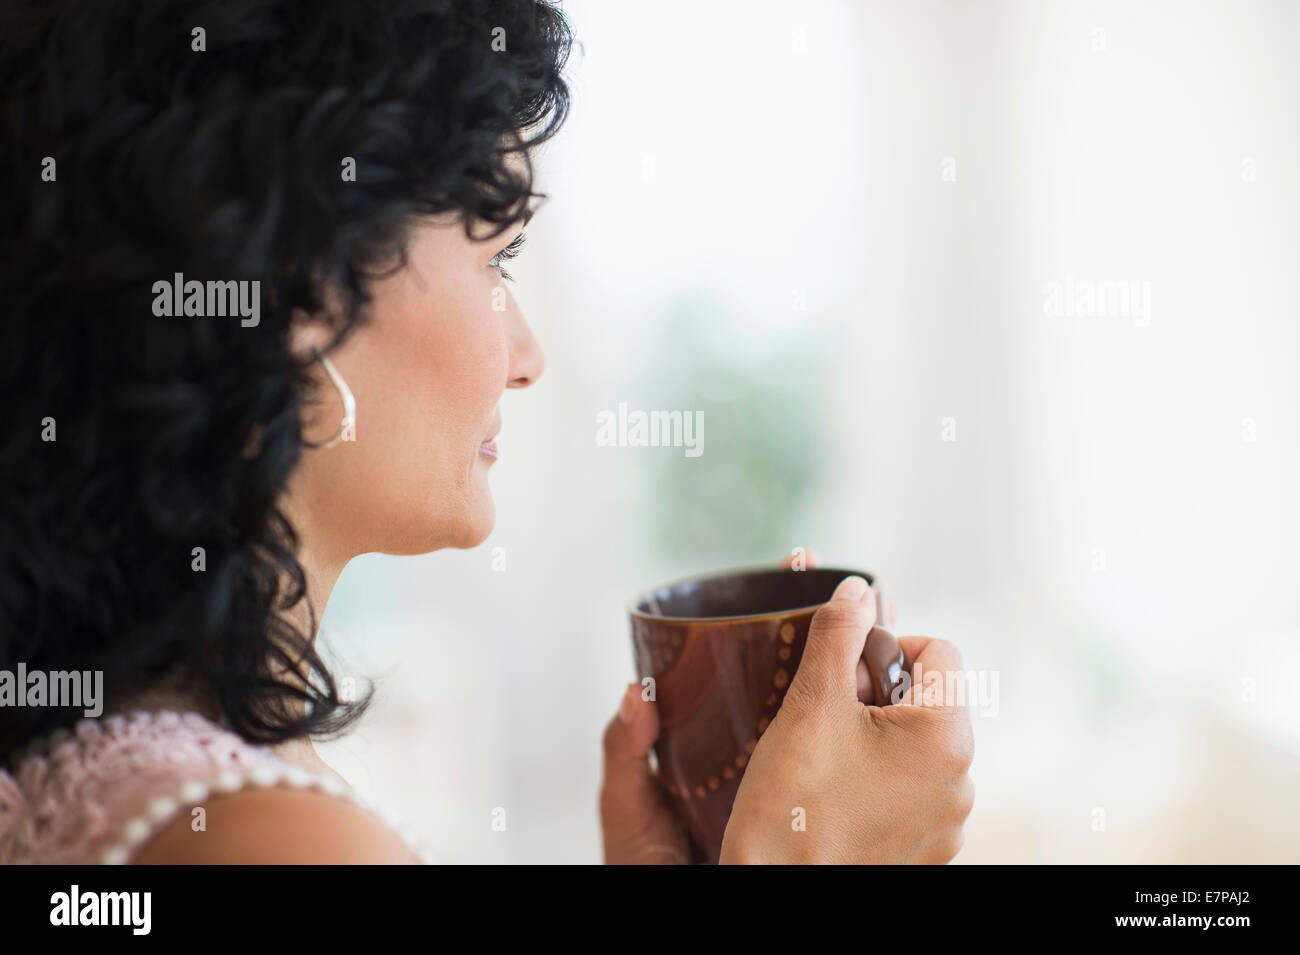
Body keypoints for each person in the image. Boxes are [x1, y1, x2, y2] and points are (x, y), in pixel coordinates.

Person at [0, 0, 972, 865]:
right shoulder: (278, 841)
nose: (529, 354)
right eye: (495, 262)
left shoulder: (86, 757)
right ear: (297, 288)